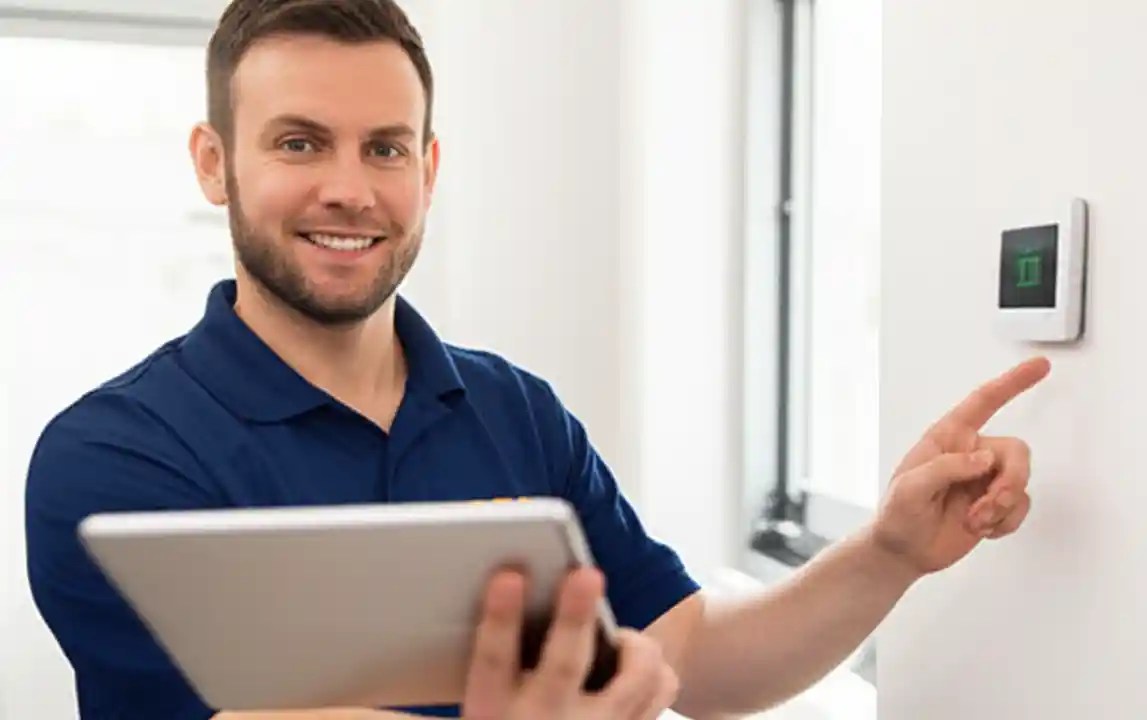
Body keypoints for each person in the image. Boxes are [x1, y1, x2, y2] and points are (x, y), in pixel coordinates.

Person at [22, 1, 1048, 718]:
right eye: (298, 144)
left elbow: (697, 663)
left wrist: (888, 551)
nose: (350, 188)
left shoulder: (516, 413)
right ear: (216, 163)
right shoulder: (112, 463)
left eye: (385, 147)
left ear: (427, 168)